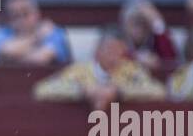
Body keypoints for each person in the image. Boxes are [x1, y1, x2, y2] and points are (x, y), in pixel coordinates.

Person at [33, 27, 166, 107]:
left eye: (119, 50)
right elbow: (42, 90)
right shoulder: (79, 71)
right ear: (97, 50)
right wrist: (83, 91)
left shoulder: (132, 70)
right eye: (109, 49)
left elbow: (159, 91)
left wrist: (119, 92)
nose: (114, 55)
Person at [0, 0, 71, 65]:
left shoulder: (52, 31)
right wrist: (36, 37)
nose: (21, 19)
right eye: (15, 15)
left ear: (36, 14)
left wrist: (11, 58)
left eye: (25, 14)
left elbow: (41, 59)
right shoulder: (5, 32)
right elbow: (5, 52)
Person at [120, 0, 178, 68]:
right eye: (134, 24)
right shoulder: (119, 41)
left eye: (142, 23)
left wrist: (157, 22)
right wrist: (136, 58)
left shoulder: (157, 40)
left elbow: (171, 61)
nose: (138, 29)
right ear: (126, 25)